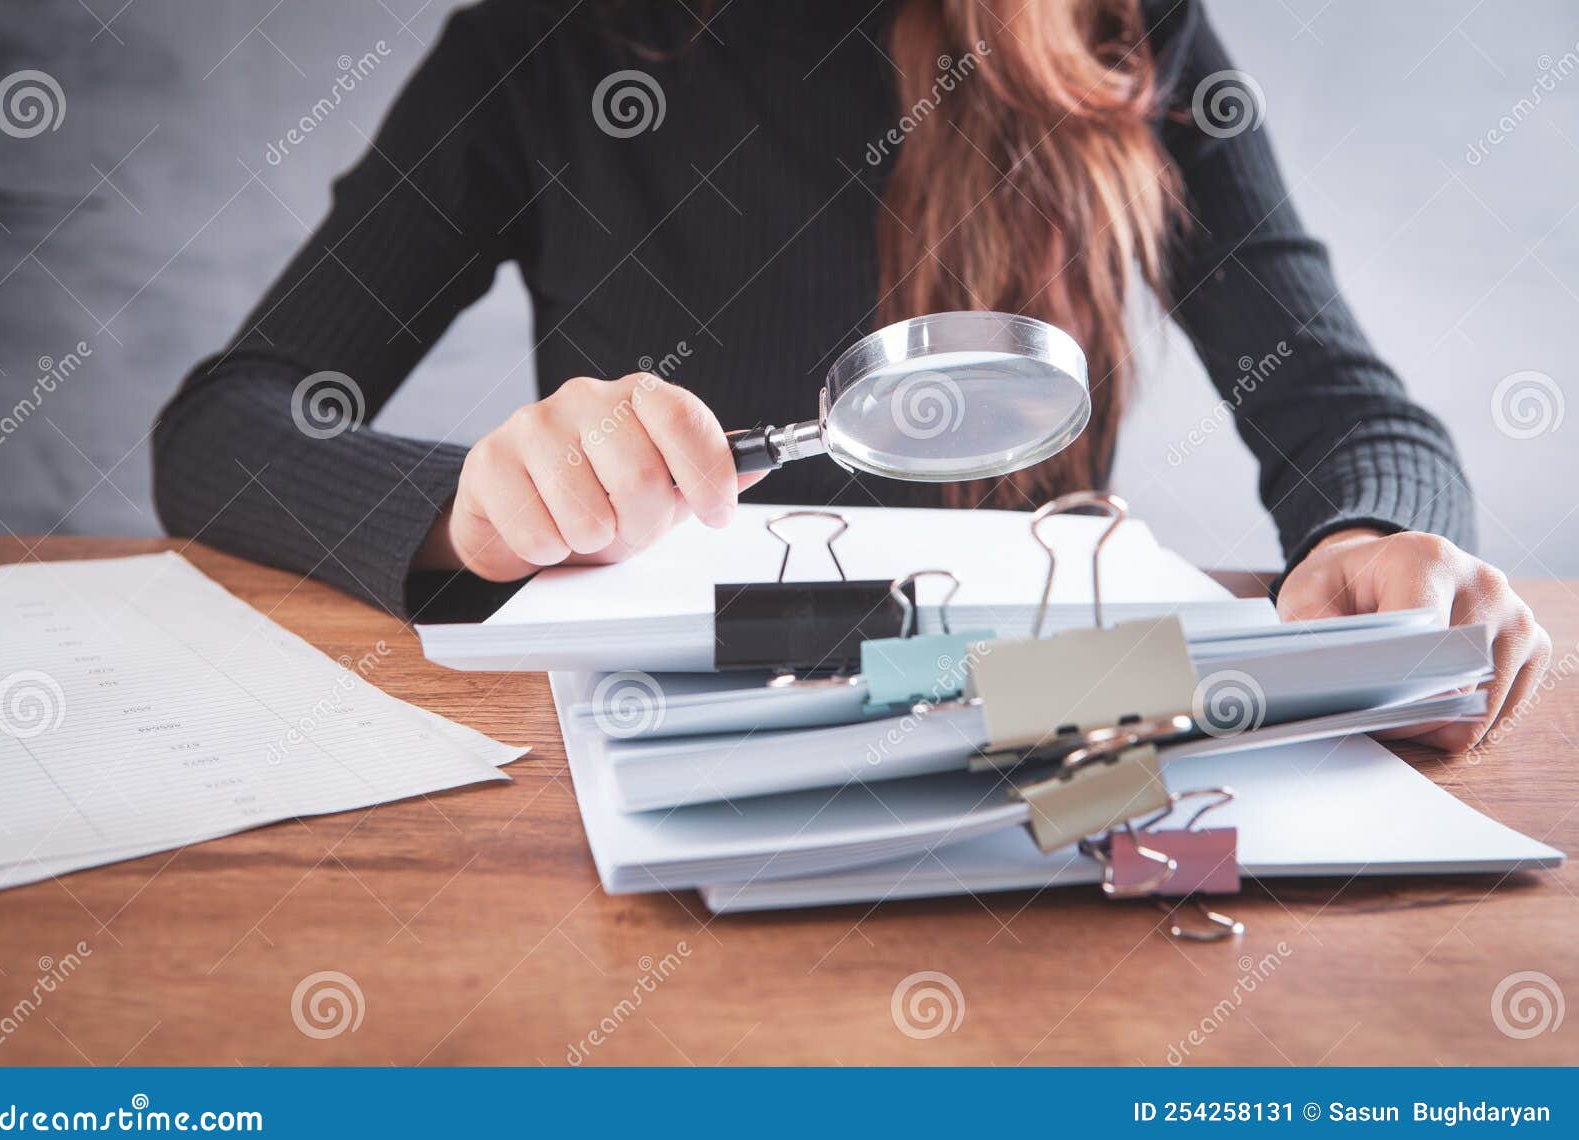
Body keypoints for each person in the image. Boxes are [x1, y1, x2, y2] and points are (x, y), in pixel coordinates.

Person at [153, 0, 1549, 751]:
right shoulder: (542, 42)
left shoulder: (1121, 30)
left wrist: (1374, 541)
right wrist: (467, 510)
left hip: (1047, 747)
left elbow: (1345, 410)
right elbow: (222, 425)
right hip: (665, 750)